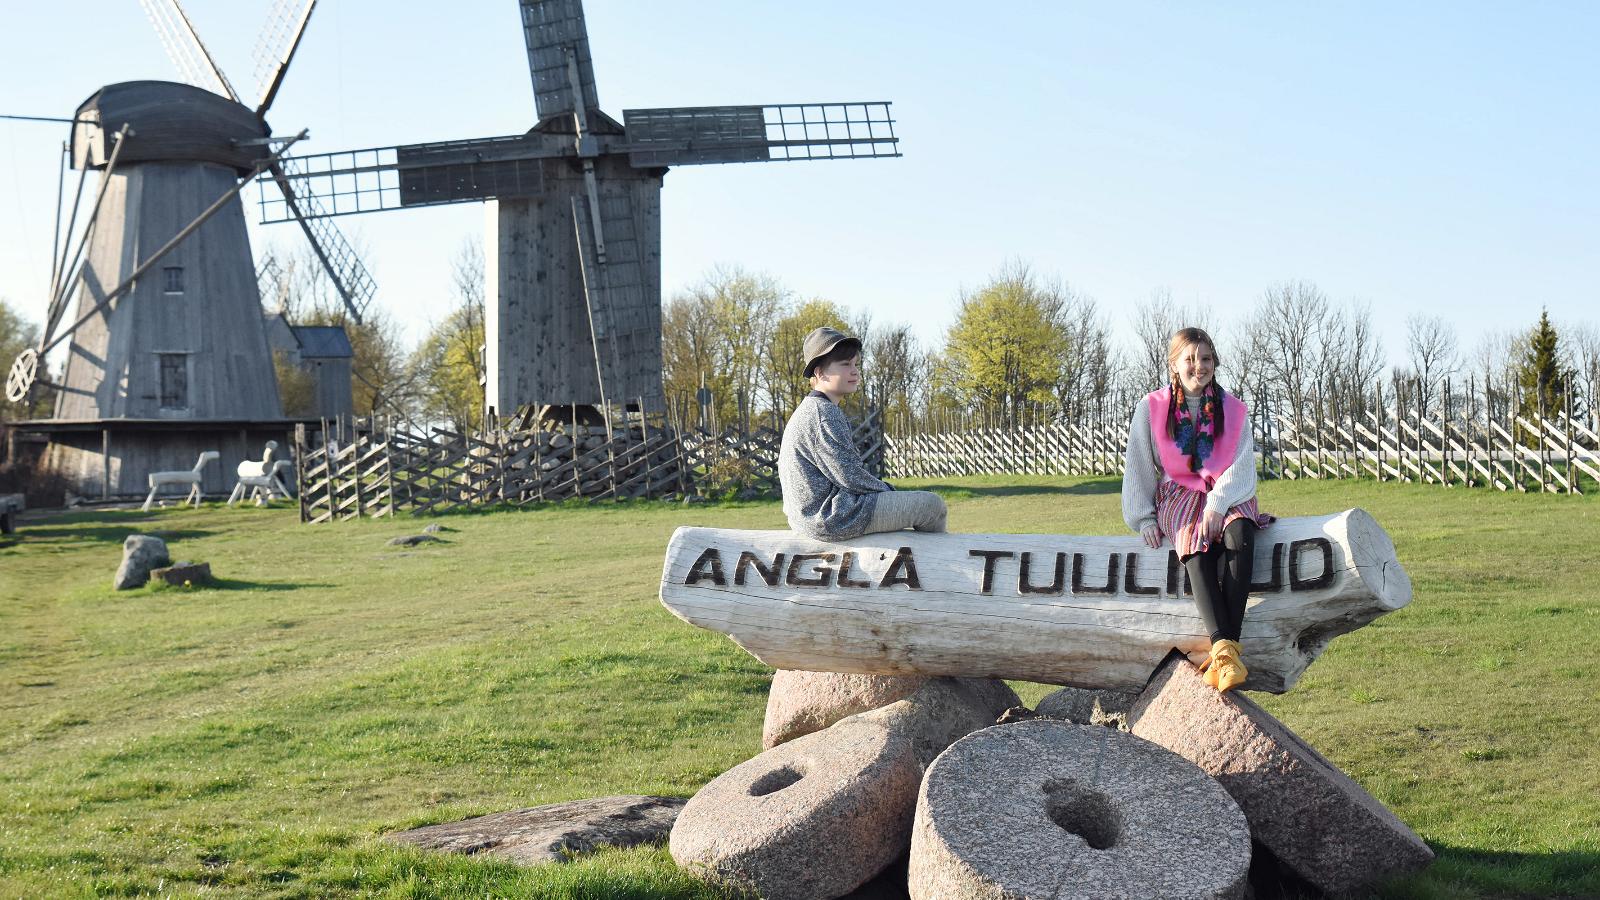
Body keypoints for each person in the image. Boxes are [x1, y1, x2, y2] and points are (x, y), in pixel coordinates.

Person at [1122, 327, 1273, 692]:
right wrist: (1143, 517)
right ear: (1174, 365)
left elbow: (1241, 467)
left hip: (1226, 490)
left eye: (1206, 358)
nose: (1198, 366)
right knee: (1194, 543)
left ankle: (1225, 652)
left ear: (1214, 363)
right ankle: (1225, 649)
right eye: (1189, 359)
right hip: (1178, 492)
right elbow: (1139, 465)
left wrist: (1218, 505)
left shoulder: (1232, 410)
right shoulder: (1152, 408)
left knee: (1240, 534)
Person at [778, 326, 947, 541]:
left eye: (855, 364)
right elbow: (850, 476)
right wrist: (889, 491)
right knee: (932, 506)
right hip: (833, 516)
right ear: (819, 373)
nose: (855, 371)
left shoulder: (812, 409)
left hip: (813, 516)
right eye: (845, 364)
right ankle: (937, 560)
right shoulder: (824, 414)